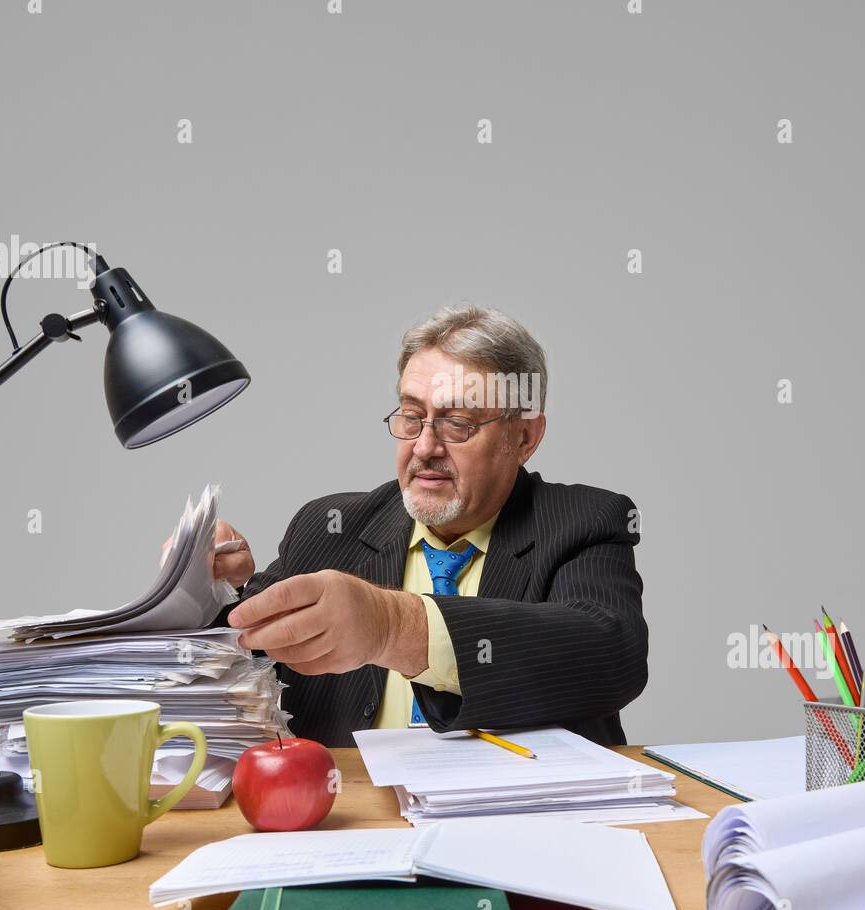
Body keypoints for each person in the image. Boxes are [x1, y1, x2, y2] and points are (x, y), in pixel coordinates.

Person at [213, 305, 647, 747]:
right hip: (352, 811)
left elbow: (610, 656)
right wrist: (213, 592)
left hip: (511, 811)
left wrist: (394, 626)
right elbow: (236, 664)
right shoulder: (328, 528)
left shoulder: (584, 520)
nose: (424, 446)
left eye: (457, 423)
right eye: (410, 416)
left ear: (524, 437)